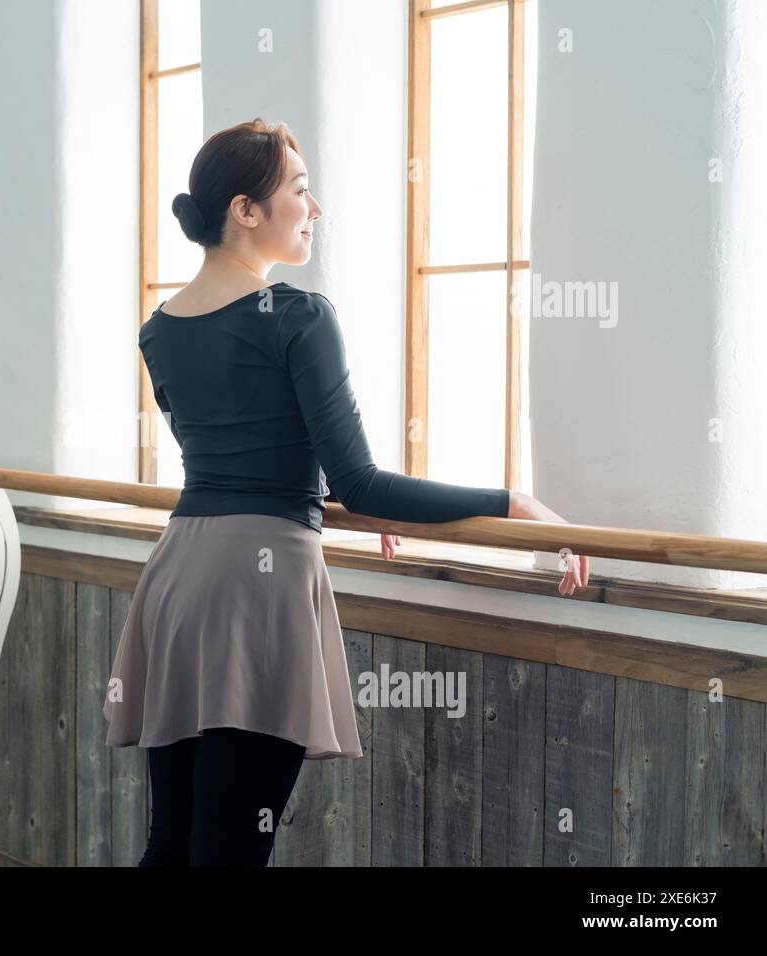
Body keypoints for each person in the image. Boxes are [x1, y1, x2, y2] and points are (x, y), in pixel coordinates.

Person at [101, 118, 587, 868]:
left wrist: (320, 498)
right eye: (299, 189)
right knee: (229, 851)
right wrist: (512, 502)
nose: (315, 207)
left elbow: (239, 454)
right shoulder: (297, 315)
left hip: (177, 579)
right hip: (256, 588)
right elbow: (361, 482)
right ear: (246, 211)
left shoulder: (159, 330)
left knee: (174, 840)